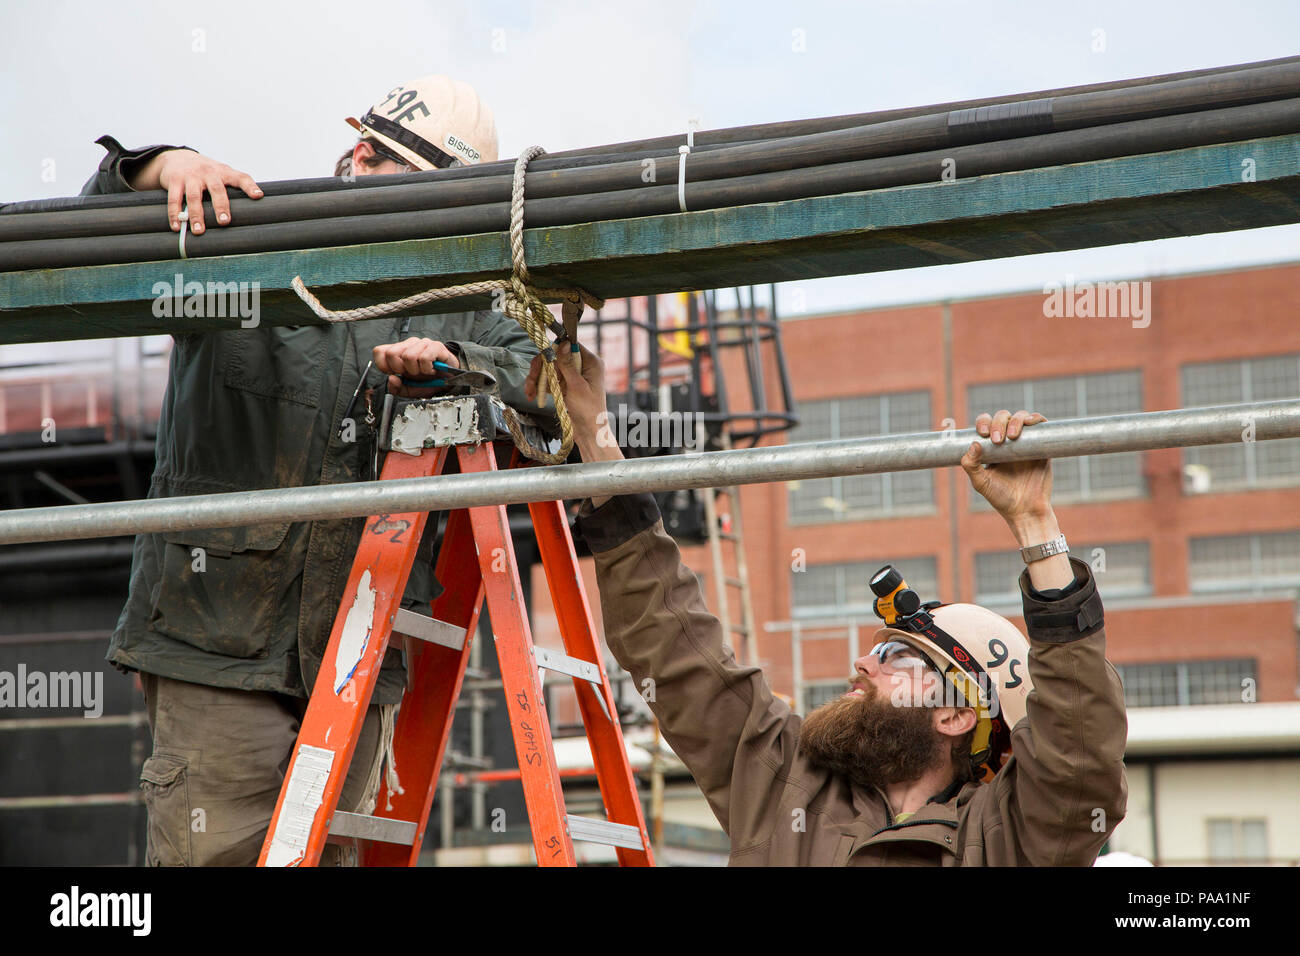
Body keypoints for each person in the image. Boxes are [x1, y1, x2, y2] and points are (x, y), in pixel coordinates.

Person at [84, 75, 557, 866]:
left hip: (356, 662)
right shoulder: (245, 245)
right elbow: (87, 242)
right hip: (217, 654)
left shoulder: (464, 300)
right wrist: (157, 168)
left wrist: (456, 364)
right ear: (365, 157)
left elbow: (550, 387)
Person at [529, 342, 1129, 866]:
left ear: (955, 714)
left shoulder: (1002, 841)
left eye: (898, 657)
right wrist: (594, 434)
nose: (864, 664)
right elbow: (677, 650)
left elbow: (1078, 755)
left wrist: (1033, 522)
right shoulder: (785, 787)